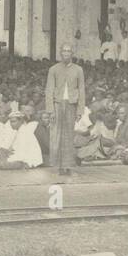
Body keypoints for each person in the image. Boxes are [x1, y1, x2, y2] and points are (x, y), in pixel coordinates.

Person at [44, 44, 85, 176]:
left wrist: (80, 110)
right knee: (57, 135)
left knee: (69, 135)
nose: (66, 53)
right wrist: (50, 110)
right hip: (57, 104)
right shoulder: (53, 69)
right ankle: (59, 166)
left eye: (68, 51)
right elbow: (49, 90)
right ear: (60, 53)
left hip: (71, 104)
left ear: (72, 53)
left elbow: (82, 90)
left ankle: (68, 166)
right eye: (64, 51)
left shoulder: (78, 70)